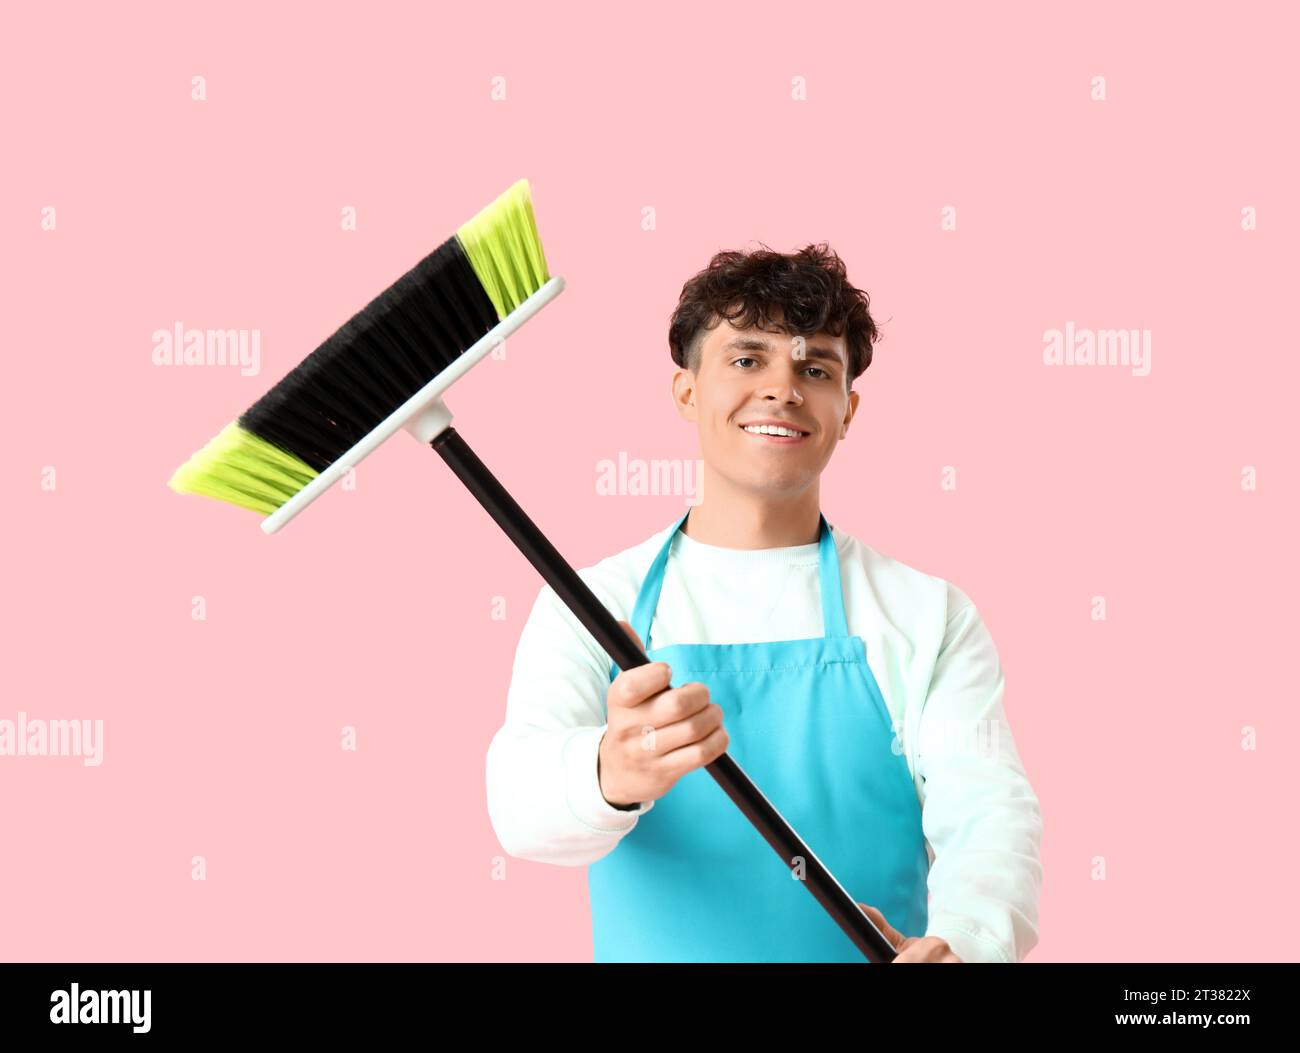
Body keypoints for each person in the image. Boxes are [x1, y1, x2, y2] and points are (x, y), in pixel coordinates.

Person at [485, 243, 1043, 963]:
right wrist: (609, 770)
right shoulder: (592, 604)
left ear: (849, 409)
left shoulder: (927, 613)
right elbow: (520, 808)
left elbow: (992, 815)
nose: (783, 389)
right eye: (747, 359)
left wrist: (966, 941)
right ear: (687, 390)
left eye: (815, 369)